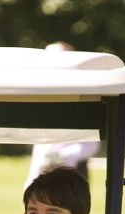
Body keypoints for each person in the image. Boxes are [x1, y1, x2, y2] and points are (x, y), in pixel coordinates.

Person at [25, 42, 101, 186]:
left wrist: (63, 157)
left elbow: (91, 144)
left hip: (73, 175)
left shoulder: (85, 97)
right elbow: (40, 148)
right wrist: (30, 182)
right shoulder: (40, 97)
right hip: (43, 174)